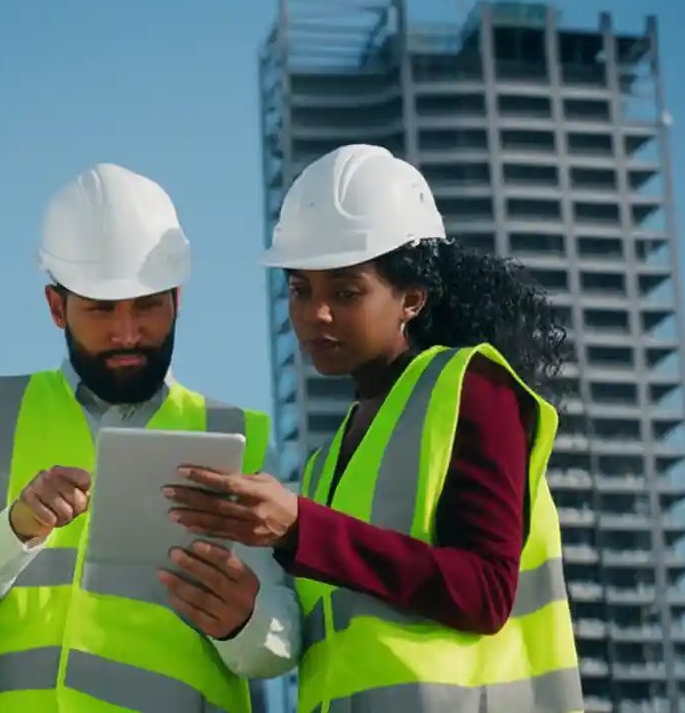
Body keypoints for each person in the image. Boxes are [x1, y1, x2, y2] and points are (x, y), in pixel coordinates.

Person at [165, 144, 584, 712]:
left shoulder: (472, 387)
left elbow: (486, 592)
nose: (317, 314)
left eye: (346, 291)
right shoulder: (324, 464)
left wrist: (299, 529)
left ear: (411, 298)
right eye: (300, 289)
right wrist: (246, 615)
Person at [0, 163, 300, 712]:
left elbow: (279, 649)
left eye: (147, 306)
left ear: (177, 299)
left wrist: (245, 621)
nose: (127, 333)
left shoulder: (236, 436)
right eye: (101, 310)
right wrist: (15, 528)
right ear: (57, 308)